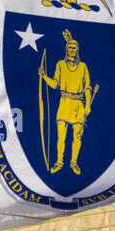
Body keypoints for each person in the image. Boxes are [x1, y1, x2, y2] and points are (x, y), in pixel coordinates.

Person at [39, 29, 92, 174]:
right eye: (70, 47)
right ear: (67, 49)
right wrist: (44, 76)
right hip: (64, 102)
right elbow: (55, 84)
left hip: (78, 105)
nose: (72, 50)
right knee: (60, 136)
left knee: (77, 136)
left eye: (74, 48)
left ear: (77, 50)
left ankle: (74, 162)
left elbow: (87, 88)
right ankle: (59, 162)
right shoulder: (60, 64)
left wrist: (87, 105)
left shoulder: (83, 67)